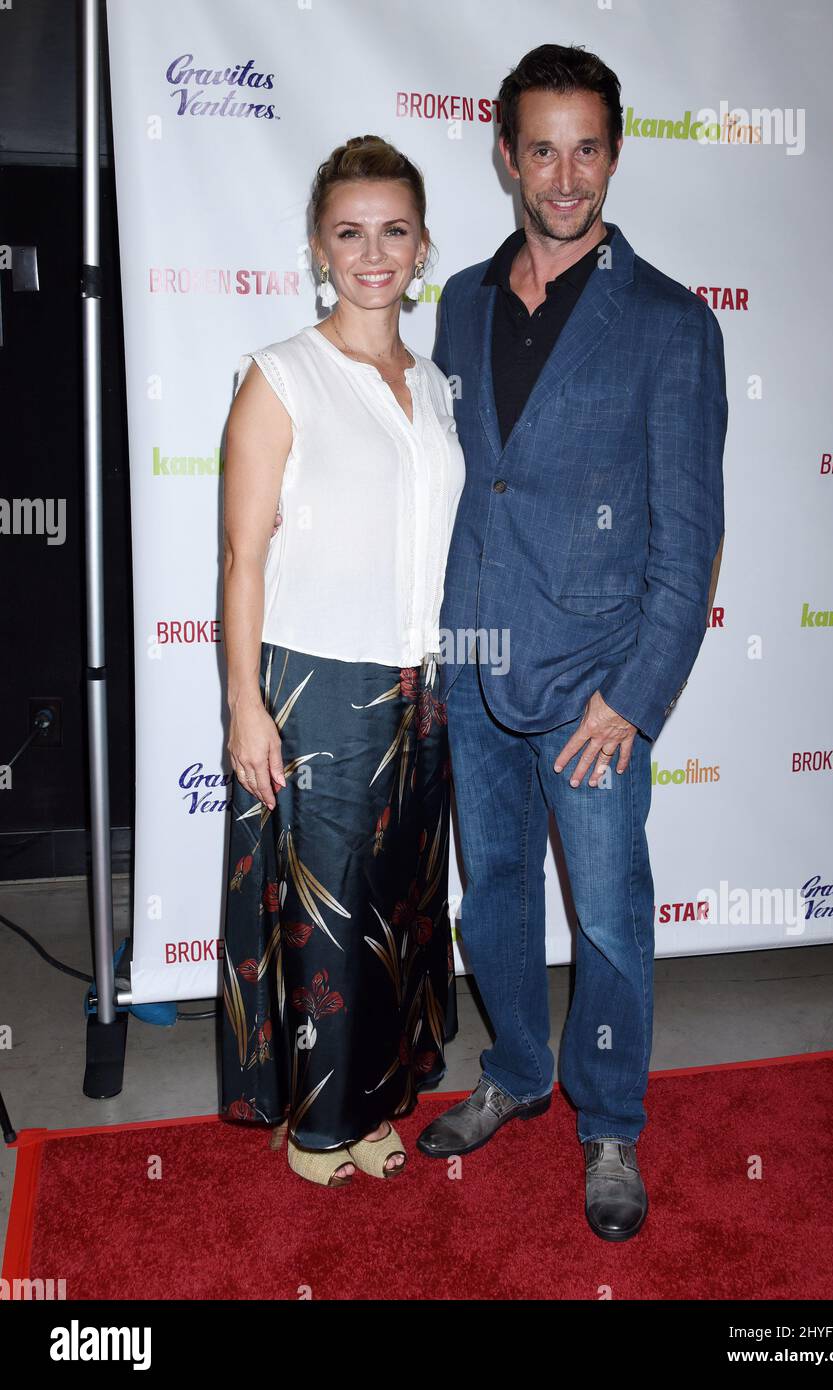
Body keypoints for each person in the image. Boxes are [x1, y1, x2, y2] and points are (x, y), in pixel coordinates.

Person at [417, 44, 727, 1241]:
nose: (564, 175)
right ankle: (517, 1071)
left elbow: (691, 537)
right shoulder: (458, 304)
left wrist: (636, 701)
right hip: (473, 666)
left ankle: (609, 1126)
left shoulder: (669, 325)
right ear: (505, 153)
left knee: (607, 918)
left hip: (593, 689)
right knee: (490, 892)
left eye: (586, 147)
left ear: (614, 152)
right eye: (540, 148)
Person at [219, 136, 465, 1188]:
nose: (374, 254)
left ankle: (376, 1102)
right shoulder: (282, 376)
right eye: (351, 232)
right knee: (326, 916)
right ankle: (319, 1124)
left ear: (422, 245)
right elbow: (241, 556)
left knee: (398, 910)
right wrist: (244, 705)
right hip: (319, 687)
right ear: (320, 246)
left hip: (425, 690)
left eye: (394, 231)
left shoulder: (439, 382)